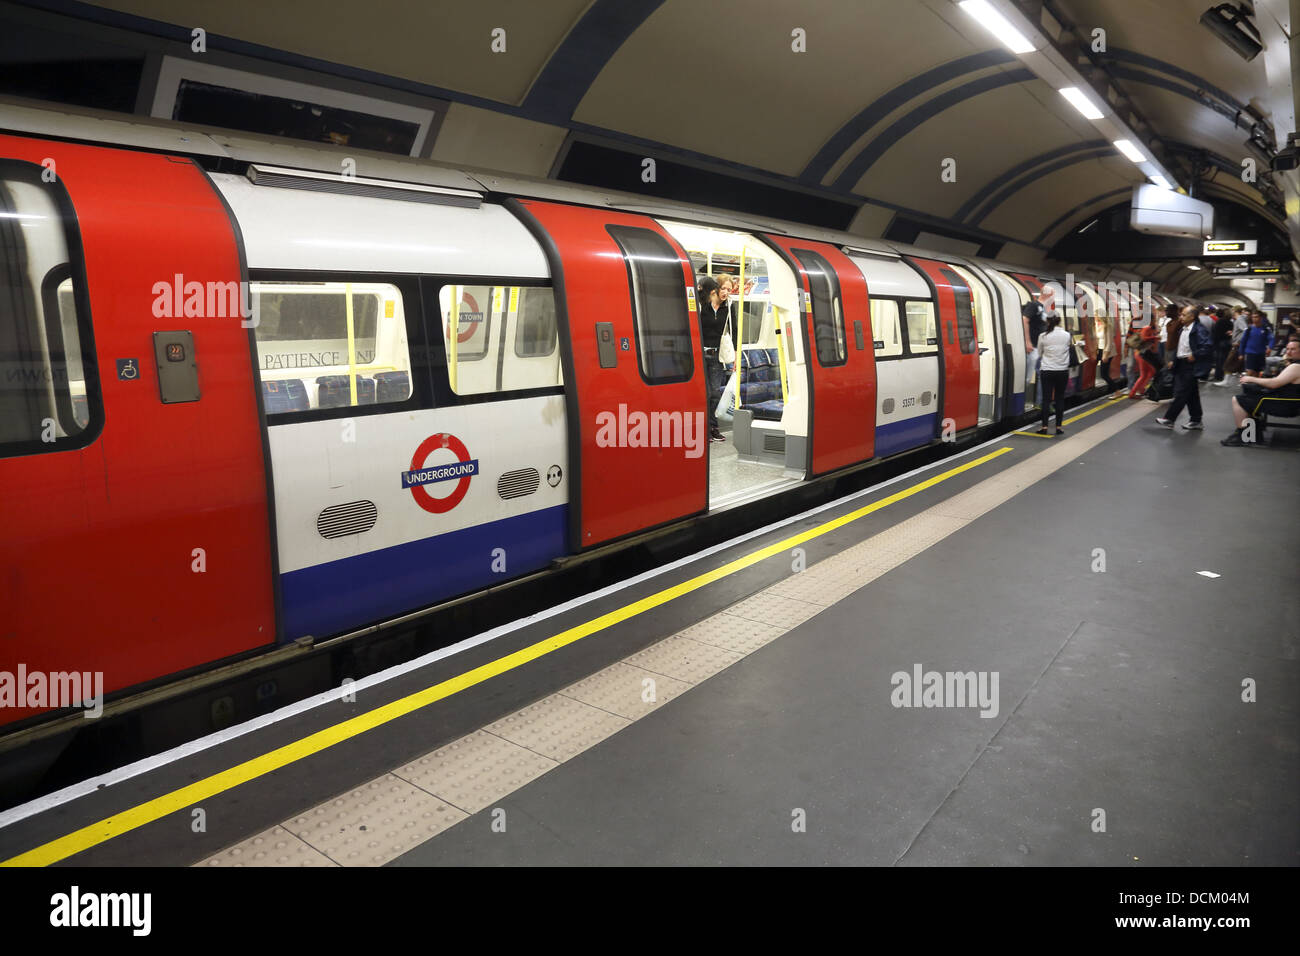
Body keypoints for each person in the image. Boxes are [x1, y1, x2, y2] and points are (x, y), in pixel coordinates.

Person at [1221, 337, 1300, 446]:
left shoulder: (1296, 367)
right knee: (1250, 392)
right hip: (1290, 401)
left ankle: (1242, 435)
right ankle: (1253, 435)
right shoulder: (1293, 365)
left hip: (1286, 404)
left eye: (1293, 349)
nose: (1288, 352)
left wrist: (1251, 378)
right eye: (1287, 349)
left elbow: (1275, 383)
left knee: (1238, 400)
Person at [696, 276, 734, 443]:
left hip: (717, 356)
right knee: (701, 394)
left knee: (714, 394)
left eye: (729, 290)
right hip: (700, 354)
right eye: (723, 288)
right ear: (716, 288)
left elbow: (735, 332)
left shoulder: (730, 307)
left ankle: (712, 427)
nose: (726, 292)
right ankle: (702, 429)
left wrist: (736, 358)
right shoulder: (703, 305)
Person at [1155, 307, 1203, 430]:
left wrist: (1195, 355)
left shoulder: (1199, 329)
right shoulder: (1183, 329)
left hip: (1191, 364)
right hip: (1181, 362)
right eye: (1181, 315)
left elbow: (1207, 346)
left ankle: (1169, 419)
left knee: (1182, 392)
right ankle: (1196, 420)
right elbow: (1181, 347)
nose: (1181, 317)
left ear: (1192, 316)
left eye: (1184, 315)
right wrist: (1174, 361)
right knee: (1192, 394)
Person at [1036, 313, 1071, 435]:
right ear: (1059, 321)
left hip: (1047, 370)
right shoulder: (1067, 335)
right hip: (1062, 371)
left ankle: (1044, 427)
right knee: (1059, 399)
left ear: (1048, 321)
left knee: (1046, 400)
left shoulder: (1043, 336)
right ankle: (1059, 427)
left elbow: (1040, 353)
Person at [1127, 316, 1160, 400]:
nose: (1155, 321)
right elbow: (1143, 338)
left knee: (1148, 372)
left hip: (1143, 354)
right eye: (1154, 320)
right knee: (1146, 373)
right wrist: (1155, 337)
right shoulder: (1146, 328)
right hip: (1141, 354)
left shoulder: (1150, 328)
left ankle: (1140, 389)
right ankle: (1134, 392)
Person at [1238, 312, 1270, 379]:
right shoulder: (1249, 329)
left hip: (1261, 354)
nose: (1254, 319)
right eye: (1253, 317)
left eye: (1256, 317)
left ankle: (1255, 387)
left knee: (1258, 372)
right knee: (1250, 371)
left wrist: (1269, 347)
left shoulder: (1265, 329)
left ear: (1261, 318)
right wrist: (1241, 353)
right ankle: (1245, 385)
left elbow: (1271, 339)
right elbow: (1243, 342)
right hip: (1250, 354)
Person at [1211, 307, 1234, 383]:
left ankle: (1218, 376)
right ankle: (1223, 375)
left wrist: (1214, 343)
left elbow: (1216, 333)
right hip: (1228, 342)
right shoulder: (1230, 322)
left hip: (1220, 343)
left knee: (1219, 360)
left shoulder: (1220, 321)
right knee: (1225, 360)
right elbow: (1230, 333)